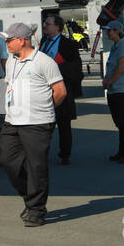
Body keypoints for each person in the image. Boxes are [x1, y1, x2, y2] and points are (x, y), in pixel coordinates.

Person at [0, 21, 67, 226]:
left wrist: (44, 110)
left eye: (9, 40)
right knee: (7, 161)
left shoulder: (44, 62)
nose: (7, 44)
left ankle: (36, 210)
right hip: (12, 121)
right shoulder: (11, 62)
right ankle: (30, 197)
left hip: (37, 122)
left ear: (22, 40)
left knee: (37, 167)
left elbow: (60, 92)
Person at [39, 14, 83, 164]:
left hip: (61, 88)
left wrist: (57, 66)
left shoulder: (68, 44)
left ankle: (65, 154)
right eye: (45, 23)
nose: (45, 25)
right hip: (44, 89)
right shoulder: (44, 41)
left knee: (64, 124)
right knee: (45, 125)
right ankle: (40, 152)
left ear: (57, 27)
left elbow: (77, 68)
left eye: (48, 24)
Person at [101, 19, 124, 163]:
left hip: (122, 90)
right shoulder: (116, 46)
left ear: (117, 31)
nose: (107, 32)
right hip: (115, 91)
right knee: (120, 123)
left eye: (109, 30)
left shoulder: (123, 47)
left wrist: (109, 81)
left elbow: (122, 66)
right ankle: (123, 152)